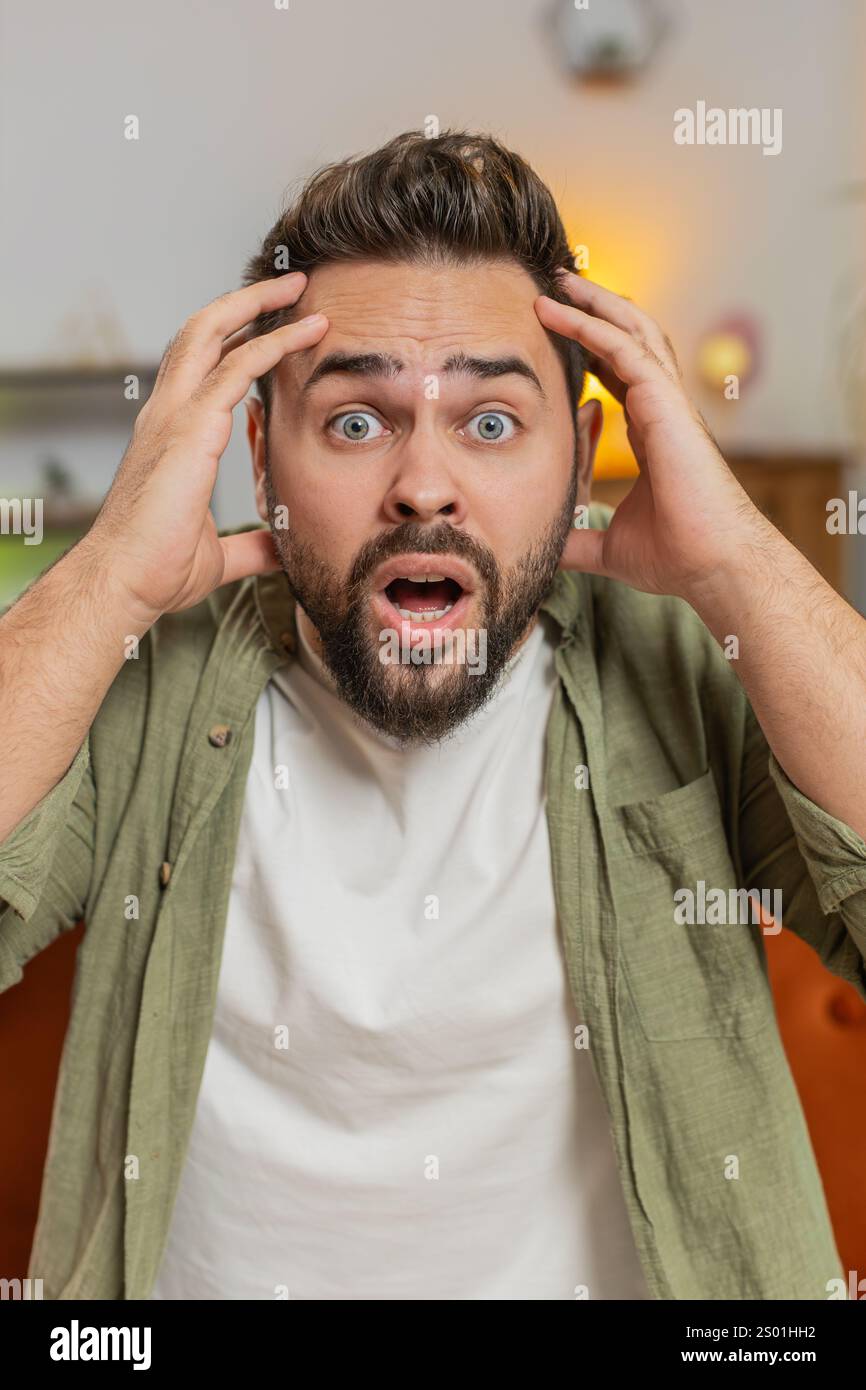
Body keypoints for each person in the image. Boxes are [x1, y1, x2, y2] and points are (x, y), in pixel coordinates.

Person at [1, 130, 864, 1301]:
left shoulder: (681, 660)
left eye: (493, 422)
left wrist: (739, 566)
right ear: (261, 456)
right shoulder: (148, 670)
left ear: (580, 463)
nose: (421, 483)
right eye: (355, 421)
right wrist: (109, 575)